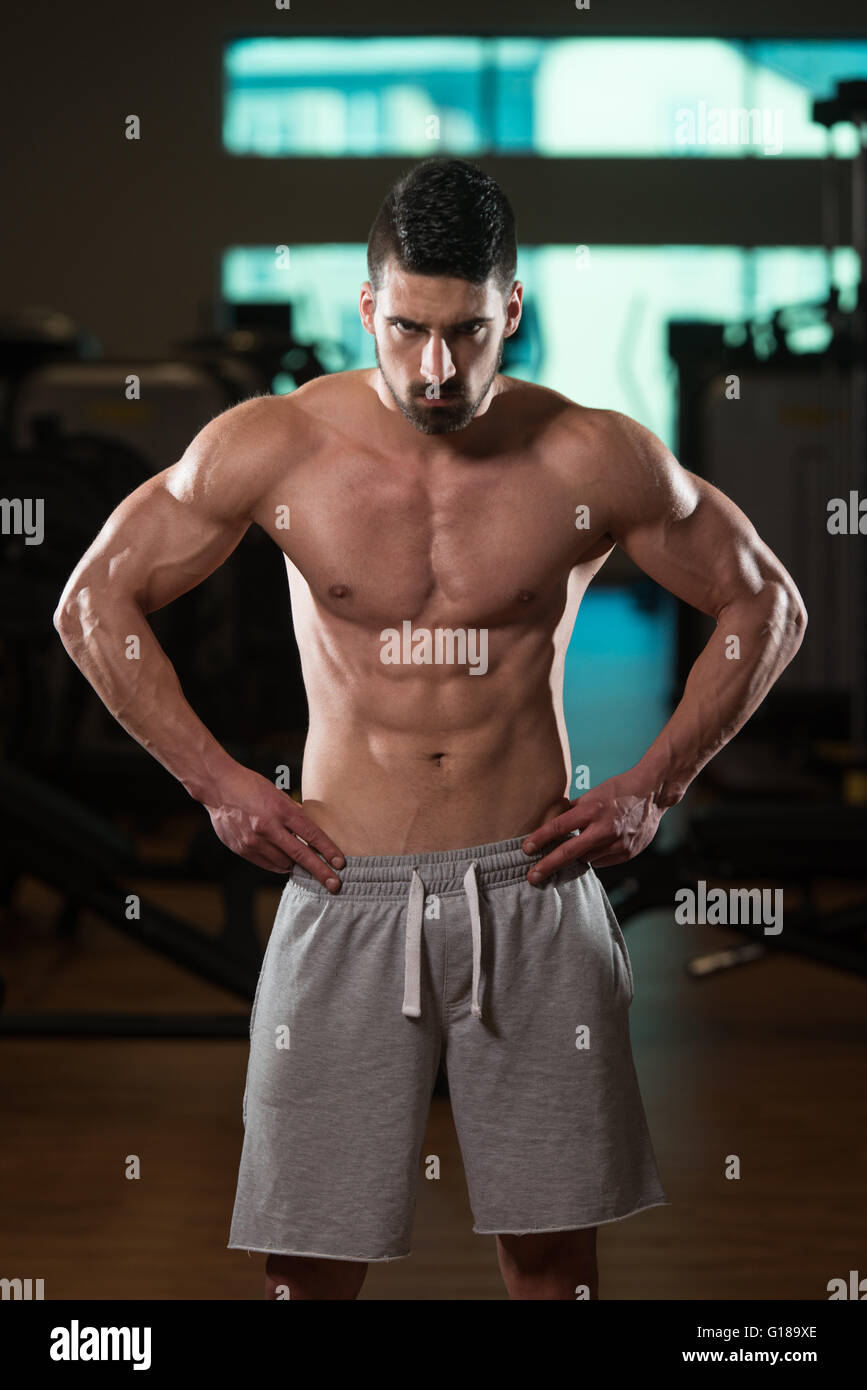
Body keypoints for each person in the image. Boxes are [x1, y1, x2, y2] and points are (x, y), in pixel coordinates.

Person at [54, 157, 807, 1300]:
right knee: (310, 1265)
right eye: (407, 328)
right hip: (345, 883)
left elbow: (770, 603)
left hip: (534, 888)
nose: (437, 367)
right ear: (367, 309)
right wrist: (215, 783)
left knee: (554, 1266)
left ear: (514, 307)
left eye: (466, 329)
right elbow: (91, 600)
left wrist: (657, 782)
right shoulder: (275, 445)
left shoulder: (591, 455)